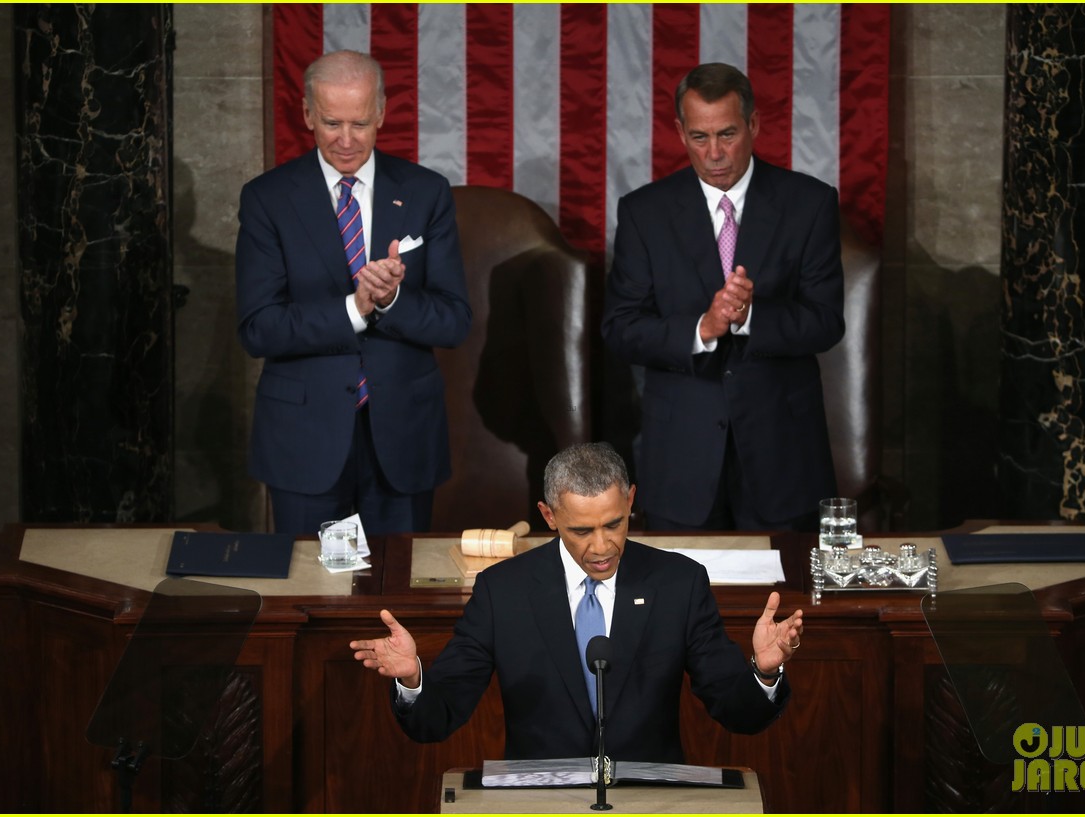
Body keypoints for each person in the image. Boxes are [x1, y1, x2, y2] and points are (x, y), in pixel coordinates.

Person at [350, 442, 803, 762]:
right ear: (549, 516)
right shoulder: (502, 591)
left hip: (647, 796)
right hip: (540, 798)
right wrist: (413, 680)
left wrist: (763, 672)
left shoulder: (677, 583)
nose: (602, 546)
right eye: (582, 531)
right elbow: (437, 718)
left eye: (614, 524)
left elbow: (736, 710)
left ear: (630, 501)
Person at [236, 50, 471, 535]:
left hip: (403, 439)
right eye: (331, 123)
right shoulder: (268, 199)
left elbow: (454, 320)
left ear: (382, 113)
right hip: (305, 441)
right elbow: (259, 328)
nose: (346, 140)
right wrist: (355, 308)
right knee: (312, 598)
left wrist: (391, 301)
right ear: (306, 114)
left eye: (360, 123)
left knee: (398, 594)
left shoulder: (425, 192)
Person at [601, 63, 844, 532]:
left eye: (727, 134)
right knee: (678, 605)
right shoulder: (644, 212)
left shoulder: (809, 204)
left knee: (789, 602)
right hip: (682, 459)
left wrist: (752, 316)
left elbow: (826, 321)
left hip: (783, 456)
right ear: (679, 131)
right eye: (699, 137)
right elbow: (621, 327)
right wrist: (702, 329)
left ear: (753, 124)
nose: (714, 153)